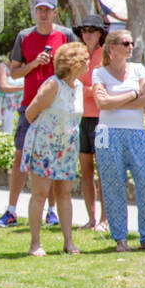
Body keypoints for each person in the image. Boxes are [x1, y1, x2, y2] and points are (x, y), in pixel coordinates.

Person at [0, 0, 75, 228]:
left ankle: (52, 212)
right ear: (35, 11)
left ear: (55, 12)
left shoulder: (65, 35)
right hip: (30, 106)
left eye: (47, 10)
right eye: (39, 9)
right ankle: (11, 211)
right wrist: (34, 64)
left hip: (58, 107)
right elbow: (15, 72)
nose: (43, 14)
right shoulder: (24, 37)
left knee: (52, 157)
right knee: (21, 155)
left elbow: (75, 66)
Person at [22, 42, 87, 256]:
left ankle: (69, 242)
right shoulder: (53, 85)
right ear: (74, 63)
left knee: (65, 193)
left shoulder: (78, 88)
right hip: (45, 146)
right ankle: (35, 244)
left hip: (67, 148)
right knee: (40, 193)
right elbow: (30, 113)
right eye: (84, 59)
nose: (88, 63)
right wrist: (47, 134)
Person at [91, 28, 145, 252]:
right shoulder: (99, 73)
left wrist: (115, 99)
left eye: (131, 43)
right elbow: (102, 104)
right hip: (108, 134)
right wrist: (133, 95)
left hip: (136, 132)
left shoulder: (138, 69)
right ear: (112, 47)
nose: (130, 47)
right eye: (125, 43)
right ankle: (120, 238)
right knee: (113, 185)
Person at [75, 15, 109, 231]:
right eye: (84, 30)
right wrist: (88, 90)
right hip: (80, 118)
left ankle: (106, 219)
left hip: (101, 118)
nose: (87, 34)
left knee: (103, 169)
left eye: (92, 30)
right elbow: (70, 82)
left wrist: (84, 89)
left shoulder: (105, 55)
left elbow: (102, 89)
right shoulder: (77, 55)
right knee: (86, 170)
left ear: (100, 34)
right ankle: (91, 218)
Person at [0, 55, 24, 135]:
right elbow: (3, 87)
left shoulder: (24, 68)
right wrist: (22, 88)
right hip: (7, 106)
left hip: (22, 104)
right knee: (8, 131)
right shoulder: (3, 67)